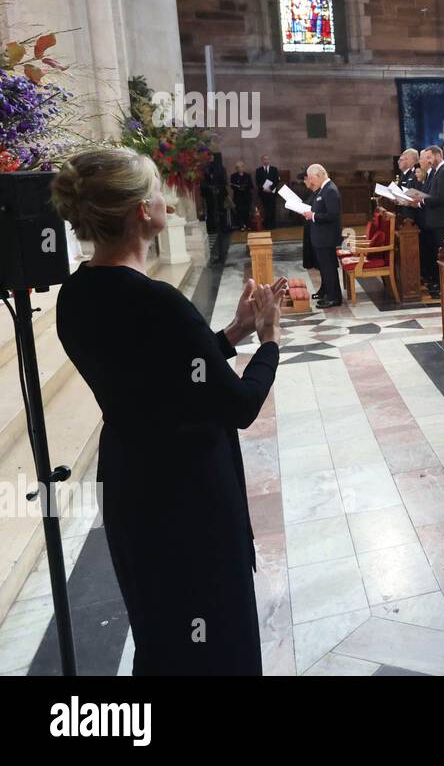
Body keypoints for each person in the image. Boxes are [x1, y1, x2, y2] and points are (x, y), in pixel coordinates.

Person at [51, 148, 284, 674]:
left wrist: (231, 334)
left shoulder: (77, 294)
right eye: (157, 189)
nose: (165, 199)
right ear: (139, 211)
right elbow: (240, 405)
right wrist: (269, 339)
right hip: (188, 489)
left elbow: (159, 375)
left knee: (163, 630)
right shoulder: (157, 301)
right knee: (217, 632)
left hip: (133, 480)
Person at [410, 146, 444, 297]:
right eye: (426, 158)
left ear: (437, 156)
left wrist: (421, 202)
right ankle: (436, 282)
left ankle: (442, 286)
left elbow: (440, 198)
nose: (428, 161)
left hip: (442, 221)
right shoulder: (437, 172)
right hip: (435, 220)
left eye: (429, 157)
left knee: (442, 254)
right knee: (435, 254)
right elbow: (431, 193)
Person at [303, 164, 343, 308]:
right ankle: (327, 293)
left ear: (319, 175)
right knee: (325, 267)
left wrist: (313, 216)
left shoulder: (330, 190)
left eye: (312, 178)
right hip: (321, 236)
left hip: (327, 237)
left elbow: (332, 215)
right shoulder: (323, 189)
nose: (311, 182)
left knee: (329, 268)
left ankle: (334, 298)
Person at [201, 152, 231, 265]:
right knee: (213, 219)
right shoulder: (207, 168)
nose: (210, 158)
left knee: (220, 224)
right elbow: (203, 182)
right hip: (210, 197)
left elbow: (223, 182)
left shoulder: (220, 168)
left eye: (212, 156)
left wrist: (218, 189)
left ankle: (222, 253)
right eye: (209, 156)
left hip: (219, 198)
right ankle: (218, 253)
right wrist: (208, 187)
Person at [255, 155, 279, 230]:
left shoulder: (274, 169)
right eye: (264, 159)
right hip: (263, 193)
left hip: (272, 192)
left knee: (272, 208)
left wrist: (271, 188)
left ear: (269, 160)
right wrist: (263, 188)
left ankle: (272, 224)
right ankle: (266, 224)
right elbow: (257, 181)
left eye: (267, 159)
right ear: (262, 160)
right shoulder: (258, 170)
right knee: (265, 209)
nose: (266, 161)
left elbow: (276, 180)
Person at [229, 161, 252, 230]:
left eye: (241, 167)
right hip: (238, 196)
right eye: (238, 167)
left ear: (243, 167)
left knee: (247, 211)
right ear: (236, 169)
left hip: (246, 196)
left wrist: (245, 187)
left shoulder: (247, 175)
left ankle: (248, 225)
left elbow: (251, 185)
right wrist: (238, 188)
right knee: (239, 211)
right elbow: (232, 186)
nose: (240, 168)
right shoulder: (233, 176)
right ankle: (241, 225)